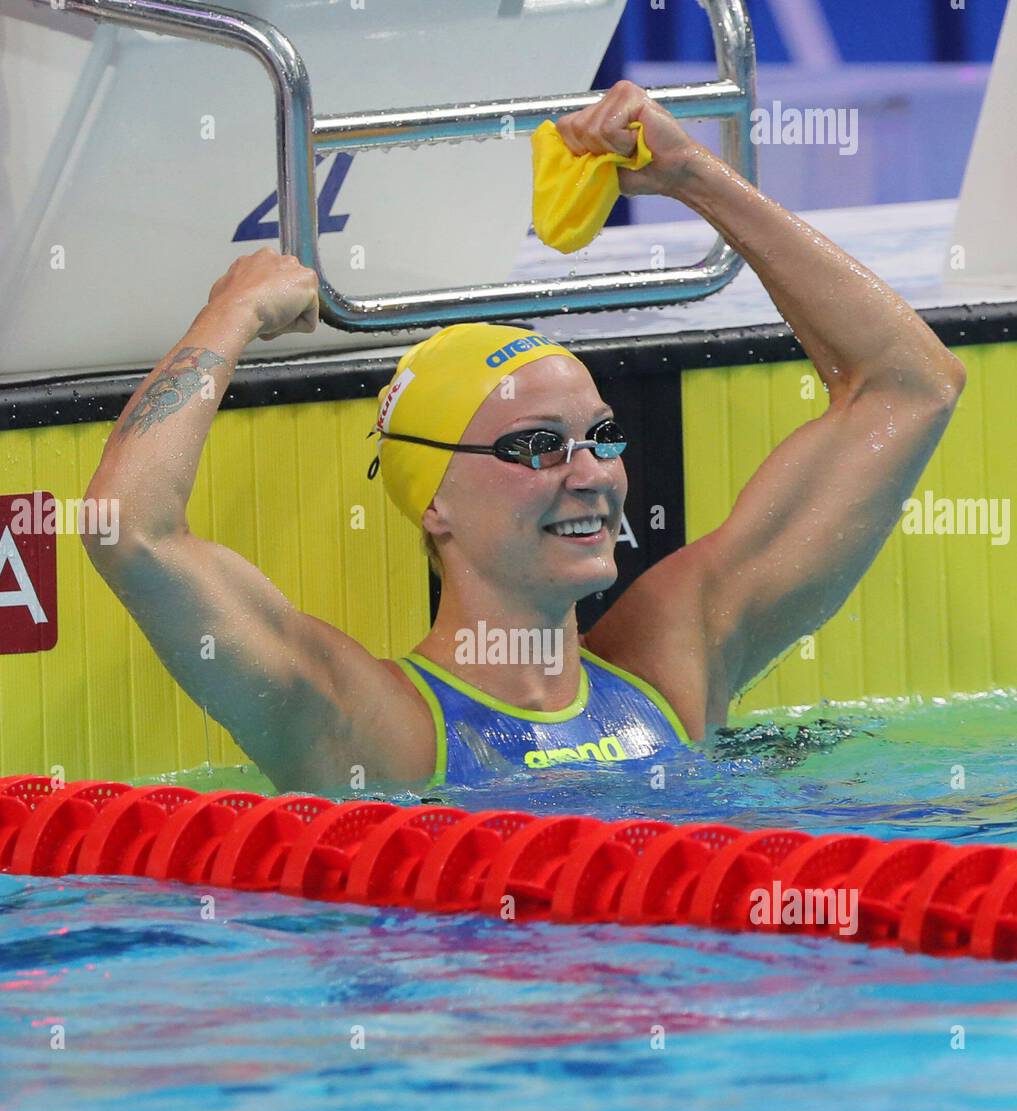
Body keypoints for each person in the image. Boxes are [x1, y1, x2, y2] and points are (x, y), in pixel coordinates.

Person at [82, 81, 966, 793]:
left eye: (601, 437)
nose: (589, 476)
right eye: (535, 446)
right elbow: (130, 530)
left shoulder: (674, 663)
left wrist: (695, 175)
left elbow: (908, 385)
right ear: (434, 504)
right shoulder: (372, 728)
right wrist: (228, 312)